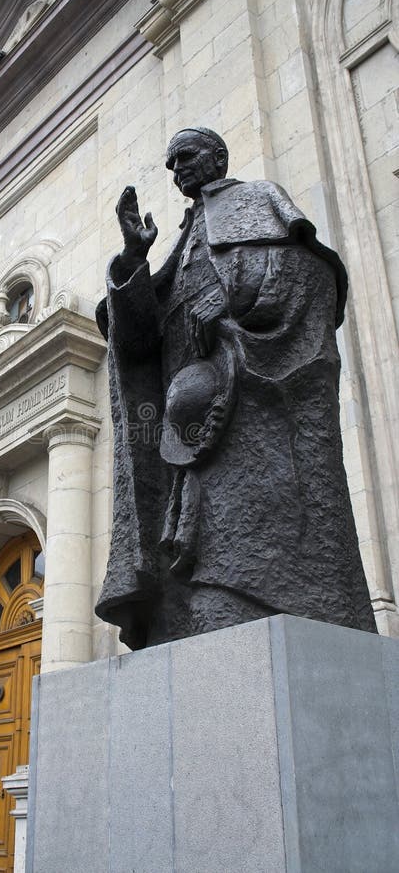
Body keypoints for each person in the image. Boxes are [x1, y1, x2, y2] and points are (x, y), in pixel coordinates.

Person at [95, 126, 377, 649]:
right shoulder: (183, 239)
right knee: (196, 563)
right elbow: (137, 343)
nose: (175, 169)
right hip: (190, 429)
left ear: (218, 158)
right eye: (170, 162)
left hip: (249, 413)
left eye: (185, 156)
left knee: (244, 547)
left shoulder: (258, 201)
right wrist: (134, 259)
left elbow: (311, 278)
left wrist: (229, 311)